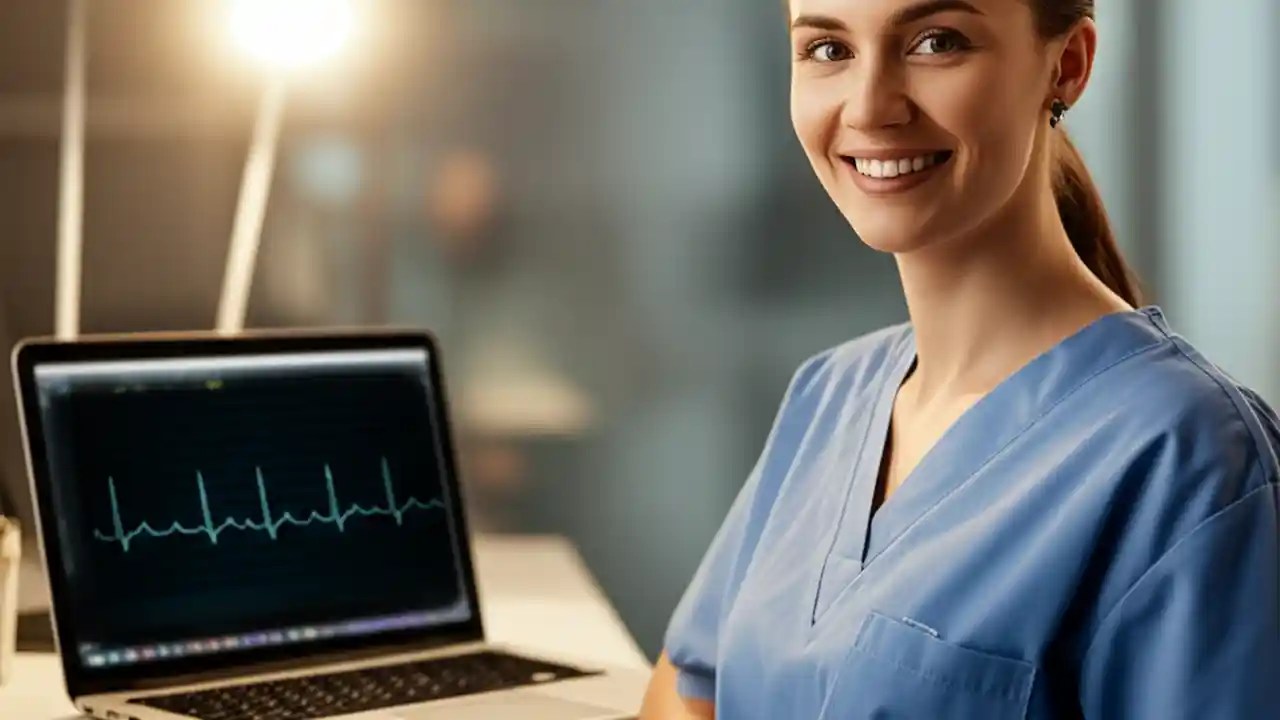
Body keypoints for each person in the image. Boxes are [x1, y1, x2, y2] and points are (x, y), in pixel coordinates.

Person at [639, 0, 1280, 717]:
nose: (870, 107)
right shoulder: (829, 395)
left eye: (936, 42)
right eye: (827, 50)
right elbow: (689, 687)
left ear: (1066, 65)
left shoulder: (1188, 458)